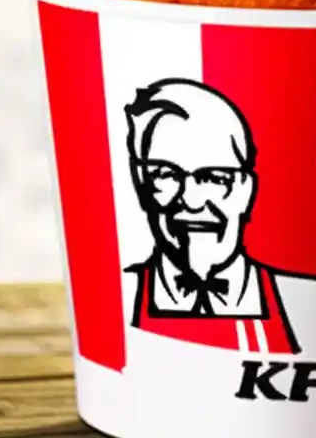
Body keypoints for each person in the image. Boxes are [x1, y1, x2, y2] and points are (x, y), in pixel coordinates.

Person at [124, 79, 298, 354]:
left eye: (214, 178)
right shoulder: (118, 297)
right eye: (167, 175)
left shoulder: (300, 301)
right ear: (140, 183)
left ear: (246, 190)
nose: (191, 201)